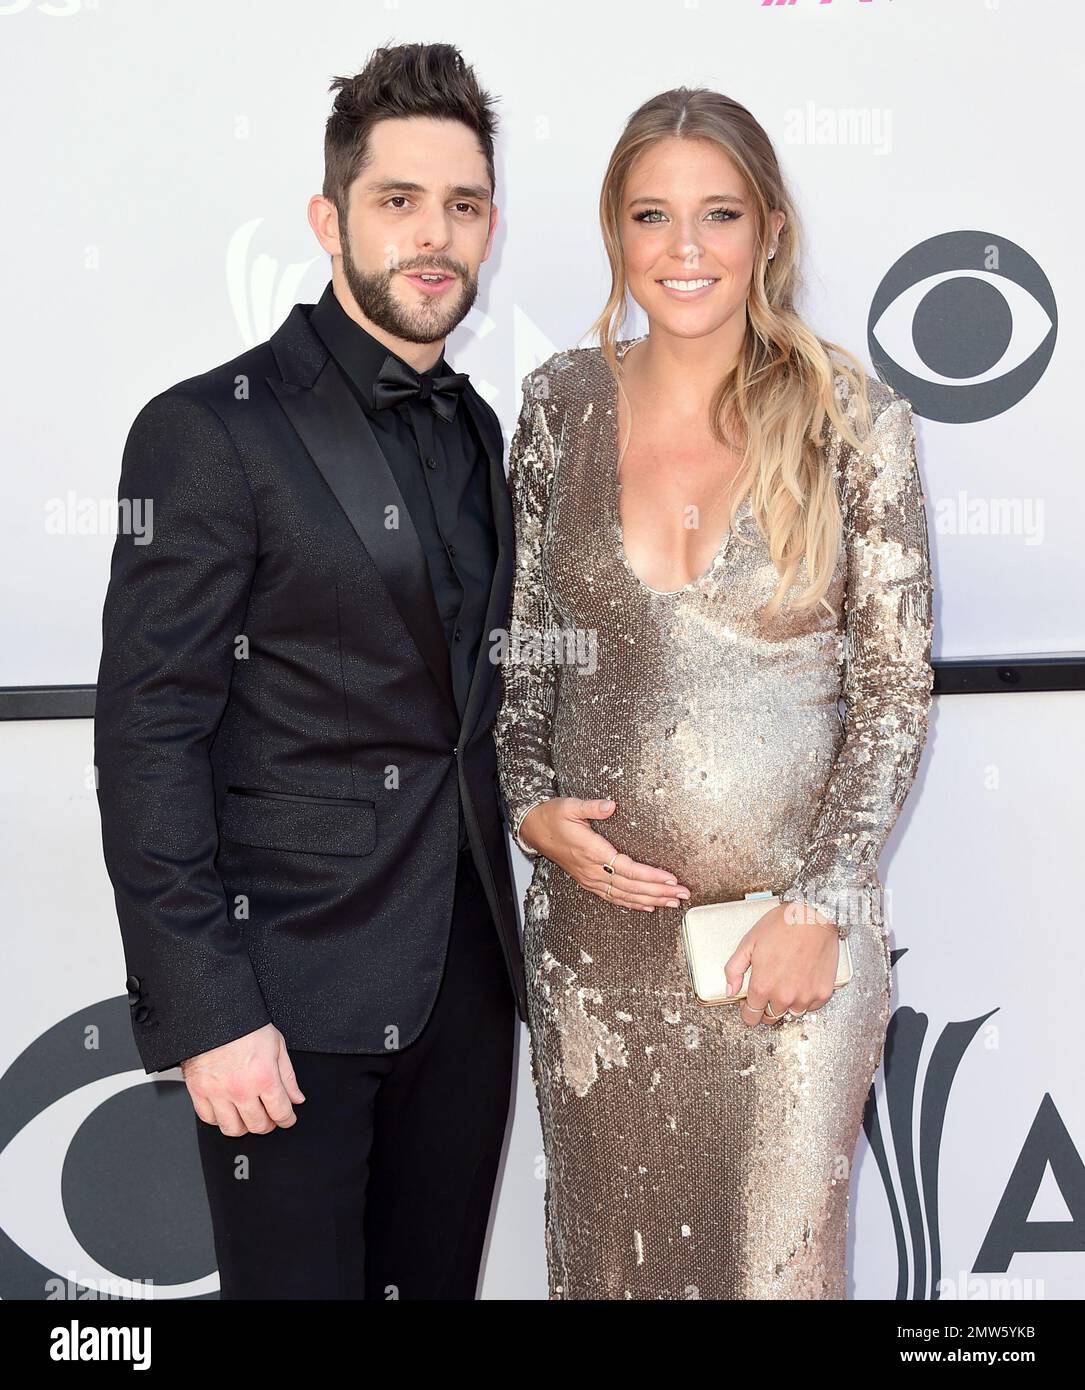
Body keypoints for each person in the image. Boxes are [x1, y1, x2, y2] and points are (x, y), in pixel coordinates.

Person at [94, 42, 524, 1300]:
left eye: (462, 205)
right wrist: (206, 1009)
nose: (433, 235)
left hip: (462, 987)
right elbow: (147, 736)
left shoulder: (480, 428)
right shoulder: (209, 428)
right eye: (399, 202)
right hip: (279, 1001)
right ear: (328, 218)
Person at [494, 86, 935, 1299]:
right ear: (614, 233)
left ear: (770, 230)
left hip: (788, 955)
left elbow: (894, 685)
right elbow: (525, 648)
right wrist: (528, 804)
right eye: (651, 215)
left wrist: (826, 898)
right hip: (598, 957)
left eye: (718, 214)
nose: (683, 250)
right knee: (607, 1277)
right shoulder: (558, 406)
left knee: (777, 1276)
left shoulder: (854, 415)